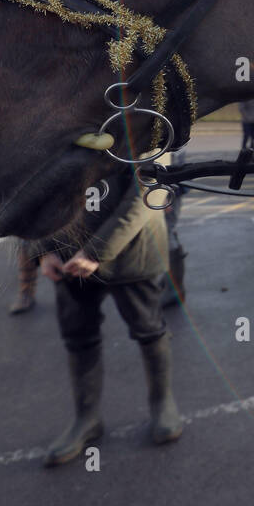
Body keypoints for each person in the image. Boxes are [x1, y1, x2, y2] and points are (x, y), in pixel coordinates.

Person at [31, 159, 183, 466]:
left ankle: (162, 404)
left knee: (149, 329)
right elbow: (34, 185)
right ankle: (87, 419)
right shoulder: (52, 114)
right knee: (78, 336)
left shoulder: (142, 117)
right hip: (66, 254)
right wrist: (42, 249)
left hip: (131, 253)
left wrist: (96, 251)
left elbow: (147, 192)